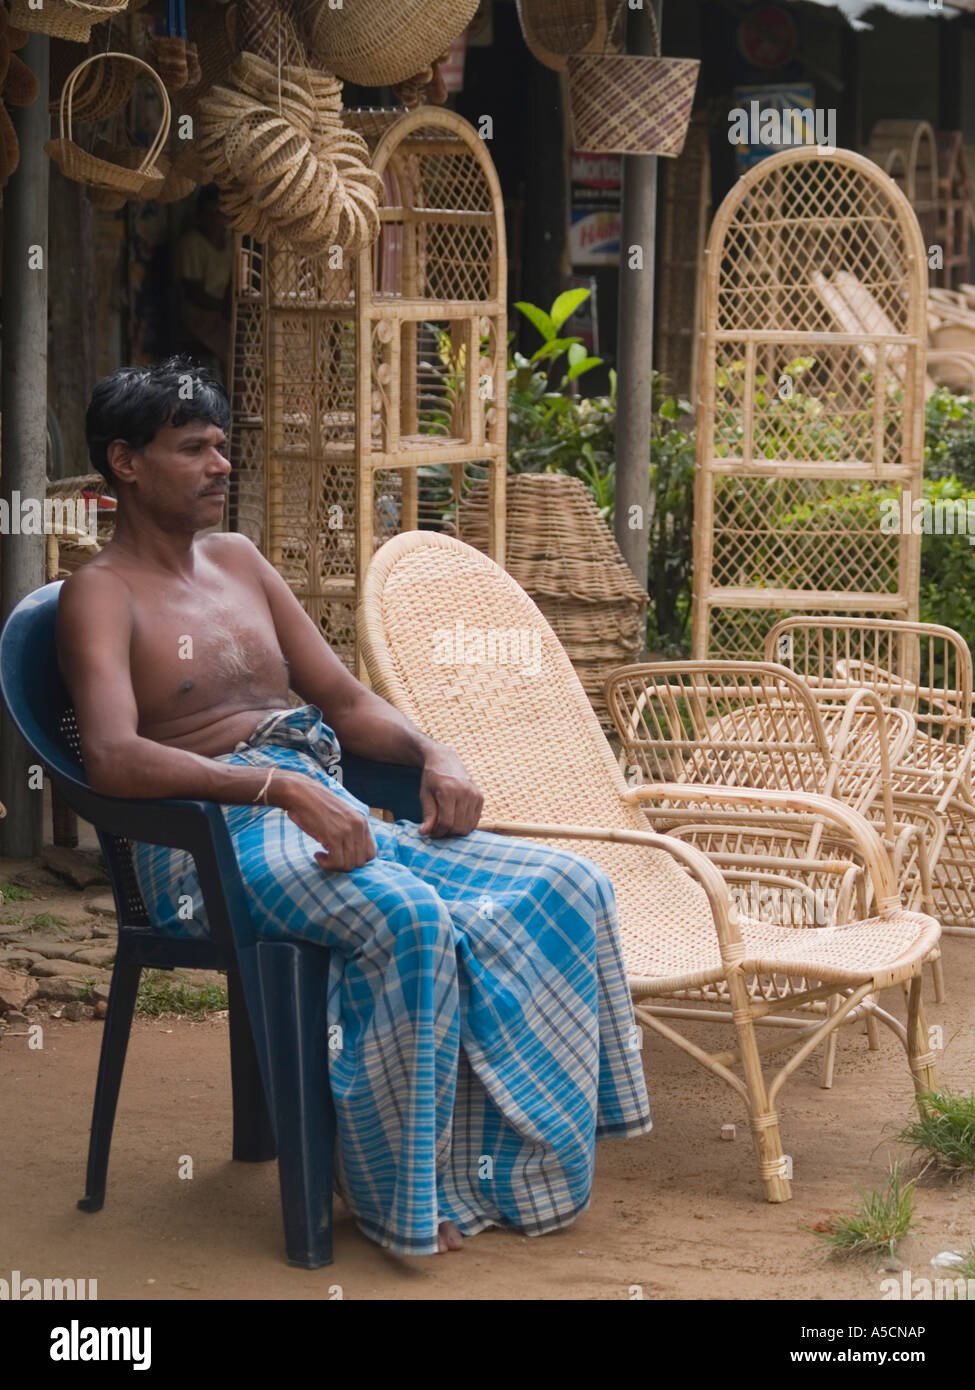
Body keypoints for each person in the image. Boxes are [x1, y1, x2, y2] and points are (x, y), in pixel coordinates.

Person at [57, 358, 652, 1258]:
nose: (221, 464)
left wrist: (430, 751)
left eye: (223, 445)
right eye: (193, 449)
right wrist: (278, 785)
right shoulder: (97, 593)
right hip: (208, 843)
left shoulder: (240, 563)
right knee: (406, 915)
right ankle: (394, 1198)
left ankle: (505, 1171)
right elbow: (112, 756)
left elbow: (342, 700)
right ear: (126, 463)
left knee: (567, 884)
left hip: (321, 800)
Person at [174, 187, 233, 380]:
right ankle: (230, 400)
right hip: (198, 314)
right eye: (210, 214)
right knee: (231, 346)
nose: (216, 220)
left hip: (221, 312)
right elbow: (193, 292)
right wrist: (224, 308)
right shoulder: (192, 244)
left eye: (220, 214)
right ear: (200, 216)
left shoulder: (231, 242)